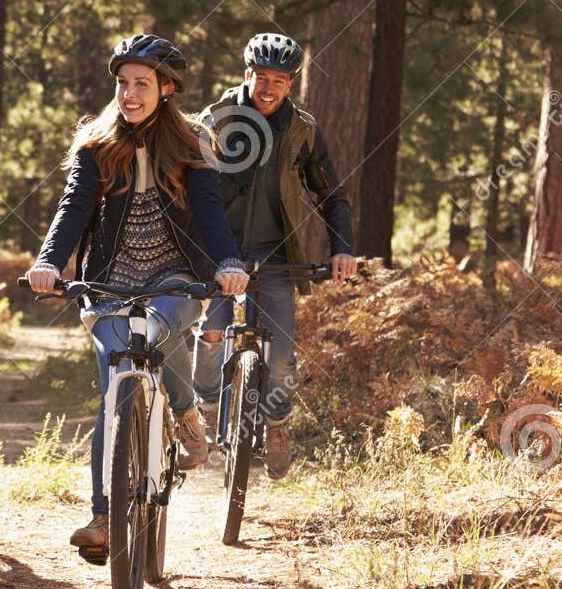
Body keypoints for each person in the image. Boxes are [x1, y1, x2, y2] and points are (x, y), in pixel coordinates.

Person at [26, 35, 247, 551]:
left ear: (167, 89)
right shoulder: (96, 144)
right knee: (113, 390)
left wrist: (228, 262)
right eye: (123, 83)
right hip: (109, 279)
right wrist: (49, 262)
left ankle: (187, 416)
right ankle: (103, 516)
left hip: (175, 273)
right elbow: (74, 208)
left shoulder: (193, 141)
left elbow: (210, 211)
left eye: (141, 84)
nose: (129, 93)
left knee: (163, 329)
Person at [192, 31, 355, 478]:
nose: (268, 88)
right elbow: (186, 188)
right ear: (247, 75)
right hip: (219, 247)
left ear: (291, 84)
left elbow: (330, 195)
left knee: (280, 353)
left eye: (279, 80)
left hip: (275, 251)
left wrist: (342, 248)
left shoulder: (302, 130)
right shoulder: (217, 120)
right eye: (261, 77)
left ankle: (277, 423)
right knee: (211, 332)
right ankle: (203, 411)